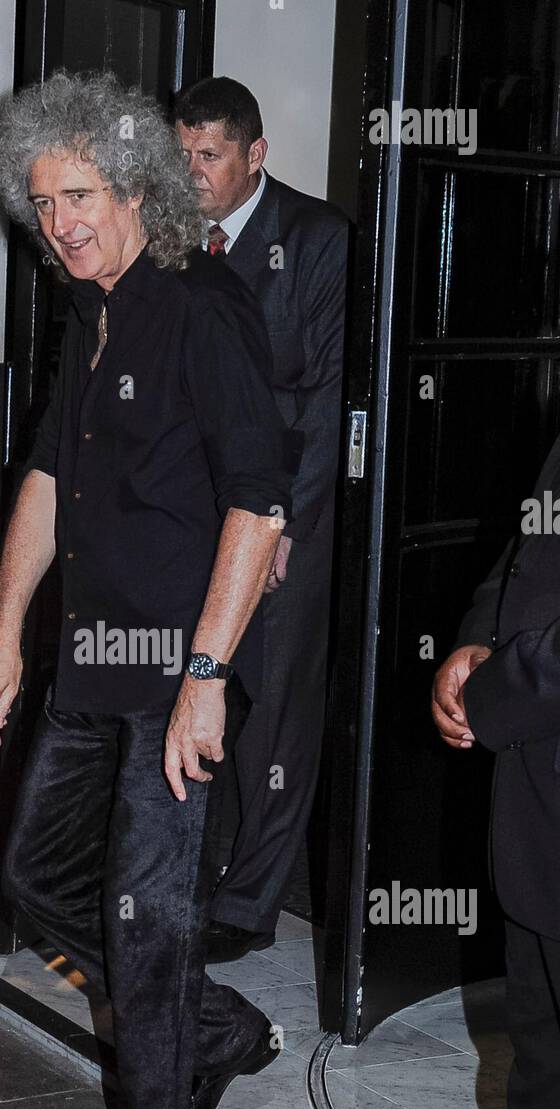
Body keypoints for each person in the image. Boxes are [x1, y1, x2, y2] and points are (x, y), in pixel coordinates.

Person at [0, 70, 292, 1109]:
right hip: (88, 664)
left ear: (138, 186)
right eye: (45, 198)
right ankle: (211, 1032)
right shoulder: (85, 312)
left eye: (83, 192)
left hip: (175, 669)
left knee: (144, 922)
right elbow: (47, 478)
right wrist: (6, 630)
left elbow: (259, 501)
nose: (61, 220)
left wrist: (207, 677)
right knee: (38, 883)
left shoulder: (205, 306)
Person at [174, 77, 349, 959]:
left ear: (255, 155)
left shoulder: (316, 241)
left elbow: (327, 406)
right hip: (195, 515)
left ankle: (249, 904)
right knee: (198, 696)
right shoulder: (173, 243)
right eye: (183, 153)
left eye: (209, 156)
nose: (193, 171)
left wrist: (280, 530)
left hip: (286, 518)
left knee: (275, 712)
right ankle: (189, 876)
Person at [432, 432, 560, 1109]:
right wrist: (475, 642)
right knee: (542, 1095)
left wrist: (496, 694)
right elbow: (530, 547)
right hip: (540, 824)